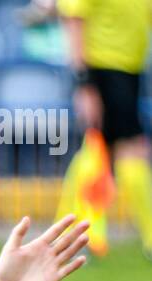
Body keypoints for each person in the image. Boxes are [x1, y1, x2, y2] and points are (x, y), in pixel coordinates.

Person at [54, 0, 152, 259]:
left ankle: (72, 237)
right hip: (102, 71)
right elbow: (73, 20)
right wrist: (85, 84)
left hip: (128, 71)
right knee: (127, 149)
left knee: (98, 150)